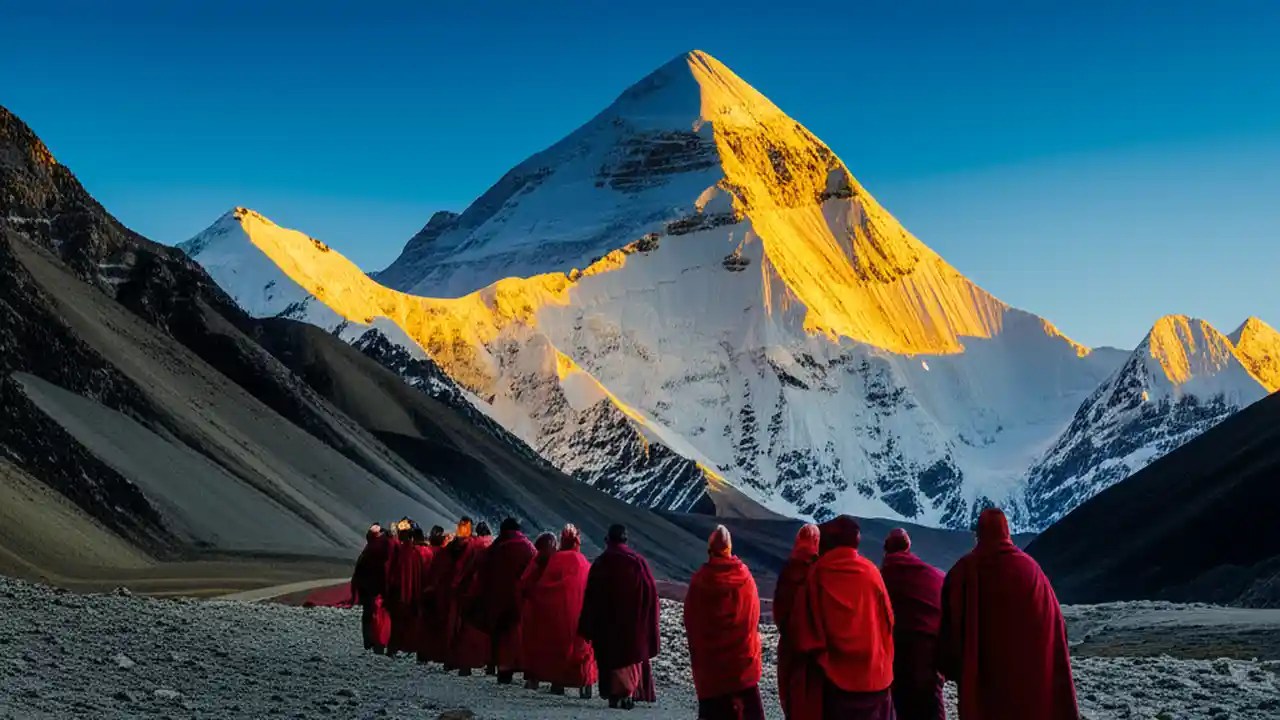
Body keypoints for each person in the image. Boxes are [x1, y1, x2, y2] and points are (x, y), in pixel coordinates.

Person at [939, 508, 1078, 719]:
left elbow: (951, 625)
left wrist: (950, 665)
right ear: (1007, 532)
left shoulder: (964, 570)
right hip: (1033, 676)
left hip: (987, 678)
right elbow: (1055, 622)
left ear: (979, 533)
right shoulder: (1031, 569)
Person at [790, 515, 895, 719]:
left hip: (837, 681)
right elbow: (888, 620)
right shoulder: (872, 571)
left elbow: (805, 628)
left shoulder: (818, 572)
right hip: (875, 677)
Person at [683, 525, 765, 720]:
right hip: (741, 663)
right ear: (730, 548)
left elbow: (691, 621)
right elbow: (753, 616)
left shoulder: (700, 581)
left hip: (711, 669)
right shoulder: (745, 578)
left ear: (710, 550)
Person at [580, 524, 660, 710]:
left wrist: (588, 625)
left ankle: (613, 695)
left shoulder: (600, 563)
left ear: (608, 540)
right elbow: (651, 594)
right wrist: (647, 622)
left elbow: (590, 597)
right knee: (629, 657)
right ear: (625, 540)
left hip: (606, 627)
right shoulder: (637, 563)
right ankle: (627, 693)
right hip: (633, 627)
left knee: (609, 658)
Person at [522, 525, 597, 697]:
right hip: (579, 617)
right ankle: (584, 683)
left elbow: (542, 587)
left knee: (556, 647)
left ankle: (557, 683)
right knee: (580, 649)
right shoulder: (583, 562)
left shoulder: (555, 560)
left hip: (555, 616)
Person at [879, 529, 944, 720]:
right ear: (908, 547)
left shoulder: (879, 578)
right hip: (929, 657)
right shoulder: (933, 575)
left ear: (886, 551)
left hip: (894, 659)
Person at [475, 518, 537, 684]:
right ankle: (521, 669)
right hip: (520, 599)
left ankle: (501, 670)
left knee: (500, 635)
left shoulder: (496, 546)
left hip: (497, 598)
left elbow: (483, 569)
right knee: (517, 634)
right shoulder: (528, 546)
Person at [774, 524, 822, 720]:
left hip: (791, 646)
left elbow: (779, 610)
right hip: (816, 649)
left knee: (792, 698)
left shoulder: (788, 571)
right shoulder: (820, 571)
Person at [421, 517, 472, 667]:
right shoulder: (472, 550)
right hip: (457, 596)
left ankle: (448, 658)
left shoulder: (444, 554)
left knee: (449, 627)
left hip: (450, 596)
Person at [450, 520, 495, 675]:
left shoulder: (473, 546)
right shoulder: (494, 545)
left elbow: (464, 567)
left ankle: (465, 665)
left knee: (467, 628)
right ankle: (489, 664)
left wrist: (456, 584)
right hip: (489, 591)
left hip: (471, 590)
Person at [519, 532, 560, 690]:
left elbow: (525, 582)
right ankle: (556, 682)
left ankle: (533, 680)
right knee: (554, 645)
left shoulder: (537, 561)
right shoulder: (559, 561)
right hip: (554, 609)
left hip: (535, 609)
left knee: (534, 644)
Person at [385, 519, 424, 658]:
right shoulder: (411, 552)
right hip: (405, 594)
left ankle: (395, 647)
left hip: (399, 593)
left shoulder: (401, 551)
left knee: (398, 623)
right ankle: (400, 647)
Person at [351, 523, 392, 654]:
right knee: (376, 614)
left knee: (369, 614)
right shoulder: (381, 548)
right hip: (375, 587)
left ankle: (370, 641)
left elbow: (360, 570)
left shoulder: (370, 549)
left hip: (369, 587)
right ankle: (377, 640)